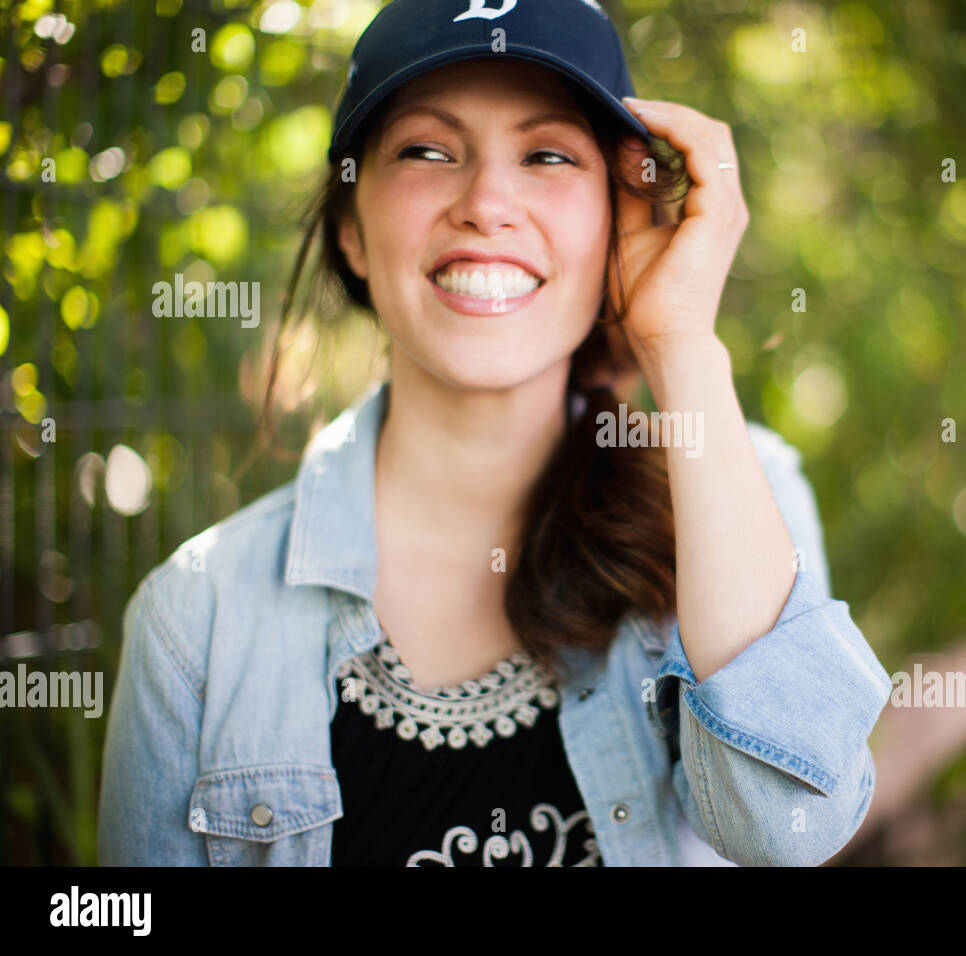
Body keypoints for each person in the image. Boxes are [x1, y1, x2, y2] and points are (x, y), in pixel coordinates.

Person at [97, 0, 892, 867]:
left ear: (619, 221)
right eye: (428, 151)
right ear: (351, 232)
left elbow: (786, 831)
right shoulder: (197, 620)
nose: (486, 203)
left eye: (547, 154)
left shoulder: (744, 496)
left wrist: (681, 344)